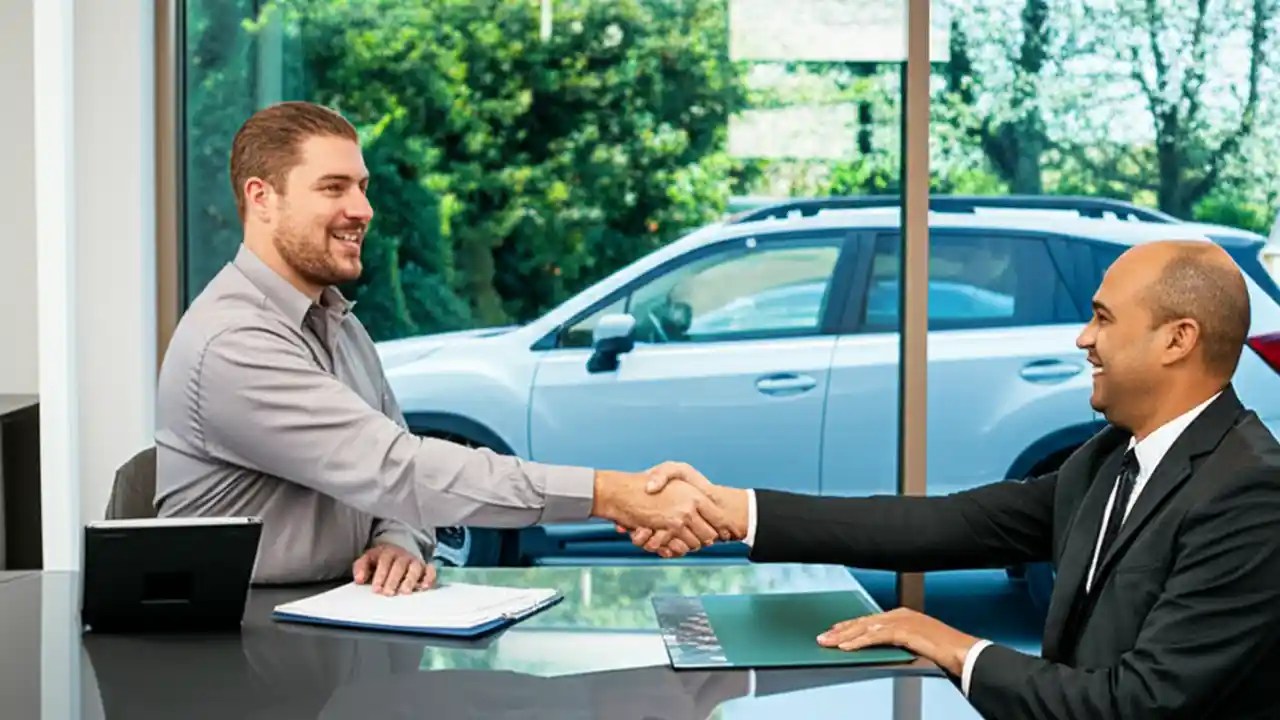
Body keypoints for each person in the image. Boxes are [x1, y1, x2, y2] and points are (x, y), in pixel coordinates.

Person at [632, 239, 1280, 718]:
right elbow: (945, 524)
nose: (1085, 339)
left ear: (1177, 339)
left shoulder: (1250, 492)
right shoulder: (1107, 458)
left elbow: (1136, 705)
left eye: (1104, 318)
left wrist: (952, 645)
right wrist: (730, 508)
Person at [154, 101, 730, 594]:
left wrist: (397, 539)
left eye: (362, 187)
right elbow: (401, 469)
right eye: (334, 188)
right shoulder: (234, 341)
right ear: (262, 198)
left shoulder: (336, 320)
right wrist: (610, 493)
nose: (363, 210)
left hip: (332, 619)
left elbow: (392, 476)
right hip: (235, 647)